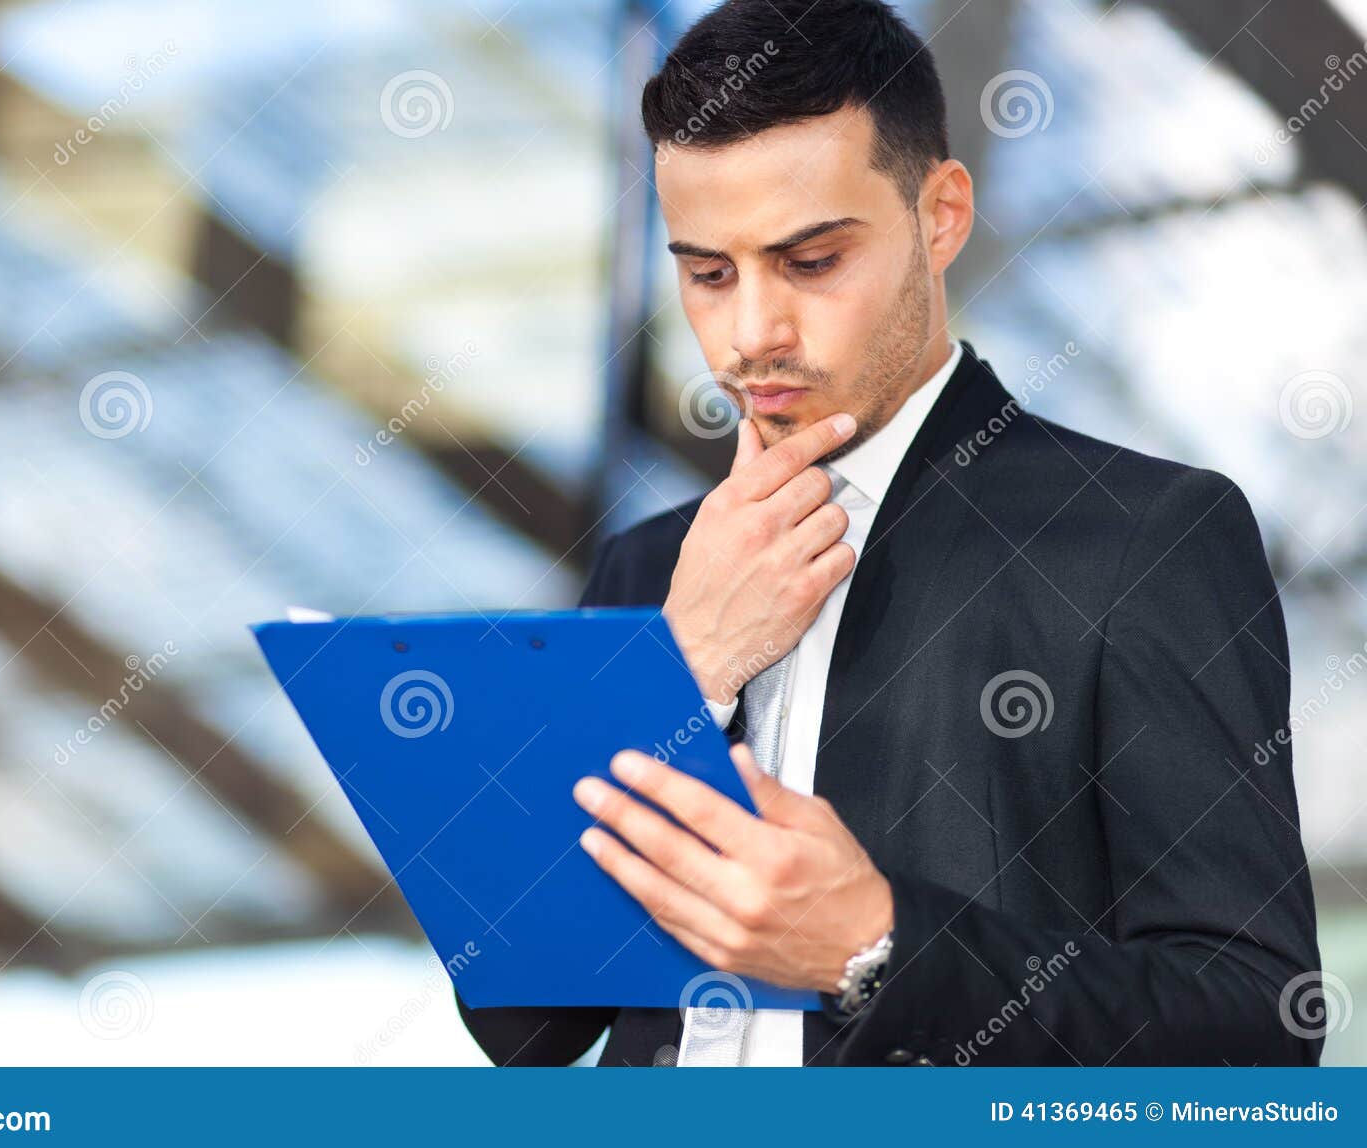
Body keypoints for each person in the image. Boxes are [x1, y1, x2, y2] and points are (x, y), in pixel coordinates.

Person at [458, 0, 1320, 1066]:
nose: (750, 334)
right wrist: (684, 671)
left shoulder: (1140, 540)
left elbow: (1258, 1025)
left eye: (811, 261)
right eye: (708, 273)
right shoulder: (649, 568)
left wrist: (877, 947)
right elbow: (523, 1029)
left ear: (941, 215)